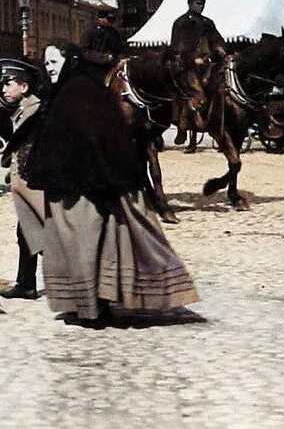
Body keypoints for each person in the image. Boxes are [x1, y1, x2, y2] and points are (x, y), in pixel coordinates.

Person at [24, 43, 200, 326]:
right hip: (99, 186)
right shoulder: (95, 94)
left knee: (81, 248)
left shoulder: (72, 94)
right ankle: (99, 305)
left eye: (54, 62)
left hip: (76, 190)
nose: (49, 68)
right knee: (104, 248)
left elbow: (69, 141)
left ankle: (90, 311)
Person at [0, 58, 45, 300]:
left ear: (24, 87)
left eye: (8, 83)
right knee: (25, 232)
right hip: (24, 181)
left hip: (33, 183)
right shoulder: (24, 108)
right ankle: (26, 283)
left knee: (39, 234)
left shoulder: (34, 109)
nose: (3, 89)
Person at [168, 0, 227, 141]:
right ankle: (183, 124)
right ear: (190, 3)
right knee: (192, 90)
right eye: (198, 3)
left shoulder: (207, 23)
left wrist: (220, 48)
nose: (200, 7)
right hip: (187, 66)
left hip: (208, 64)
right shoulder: (181, 23)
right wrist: (192, 59)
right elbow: (177, 48)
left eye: (202, 4)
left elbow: (216, 39)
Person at [80, 9, 125, 84]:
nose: (106, 21)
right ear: (99, 19)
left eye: (108, 19)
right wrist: (102, 57)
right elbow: (84, 51)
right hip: (93, 67)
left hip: (111, 67)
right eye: (104, 18)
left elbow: (119, 48)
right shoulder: (90, 31)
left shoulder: (114, 32)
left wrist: (118, 58)